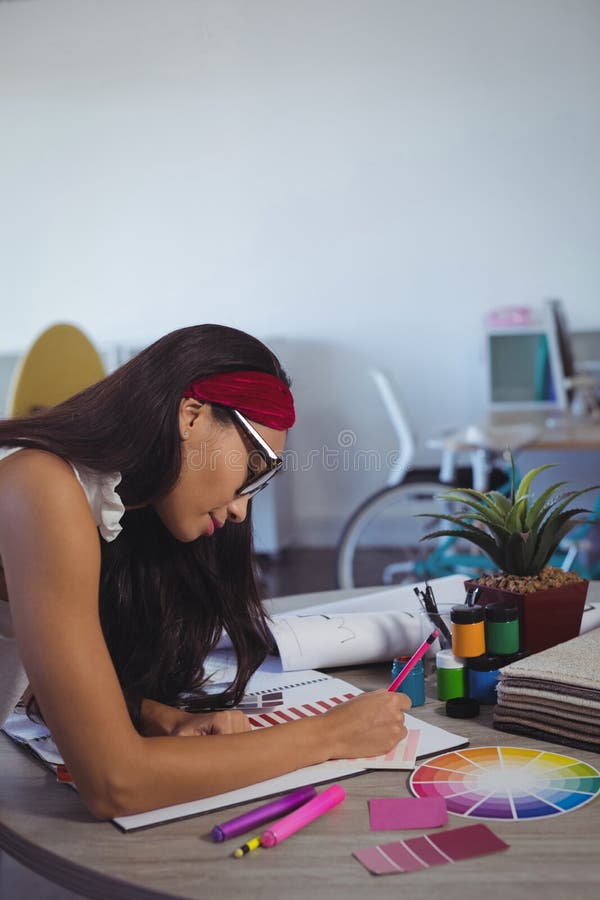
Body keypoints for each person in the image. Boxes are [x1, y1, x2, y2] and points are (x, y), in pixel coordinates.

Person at [0, 323, 409, 820]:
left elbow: (39, 681)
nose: (240, 510)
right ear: (190, 416)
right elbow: (115, 784)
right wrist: (331, 734)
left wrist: (154, 717)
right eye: (254, 465)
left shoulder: (100, 503)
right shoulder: (42, 486)